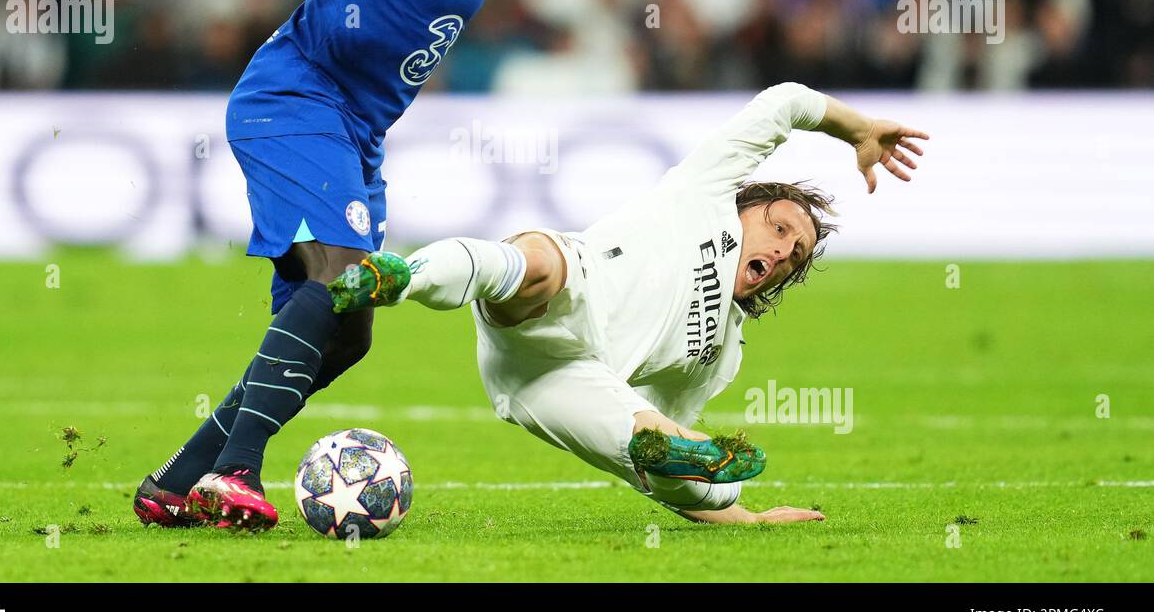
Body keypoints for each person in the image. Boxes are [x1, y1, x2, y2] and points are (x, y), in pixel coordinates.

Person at [133, 0, 538, 531]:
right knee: (346, 278)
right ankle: (236, 472)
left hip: (358, 136)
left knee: (349, 333)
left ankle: (175, 483)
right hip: (296, 96)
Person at [330, 83, 928, 524]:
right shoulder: (708, 190)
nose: (781, 250)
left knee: (663, 451)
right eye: (777, 227)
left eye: (794, 256)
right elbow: (788, 102)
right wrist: (857, 128)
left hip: (554, 379)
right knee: (535, 264)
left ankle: (669, 454)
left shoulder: (722, 353)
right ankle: (397, 278)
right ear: (748, 207)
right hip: (575, 286)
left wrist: (745, 516)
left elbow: (673, 440)